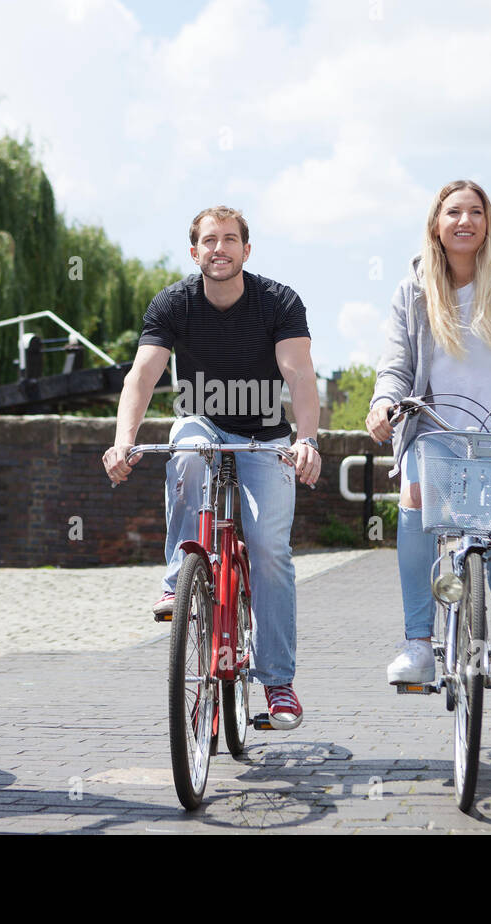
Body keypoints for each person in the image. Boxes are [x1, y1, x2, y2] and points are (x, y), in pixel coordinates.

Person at [102, 206, 320, 729]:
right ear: (194, 251)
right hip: (203, 422)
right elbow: (142, 376)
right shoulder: (174, 304)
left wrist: (307, 439)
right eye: (208, 241)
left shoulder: (278, 301)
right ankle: (179, 581)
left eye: (229, 240)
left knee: (269, 549)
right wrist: (122, 441)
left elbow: (299, 373)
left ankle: (278, 682)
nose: (219, 249)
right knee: (187, 449)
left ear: (247, 249)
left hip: (265, 436)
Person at [365, 180, 491, 688]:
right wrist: (383, 402)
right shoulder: (413, 289)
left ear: (488, 223)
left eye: (476, 212)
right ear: (437, 222)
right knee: (413, 504)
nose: (465, 221)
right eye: (453, 211)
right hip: (434, 431)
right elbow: (396, 363)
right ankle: (417, 645)